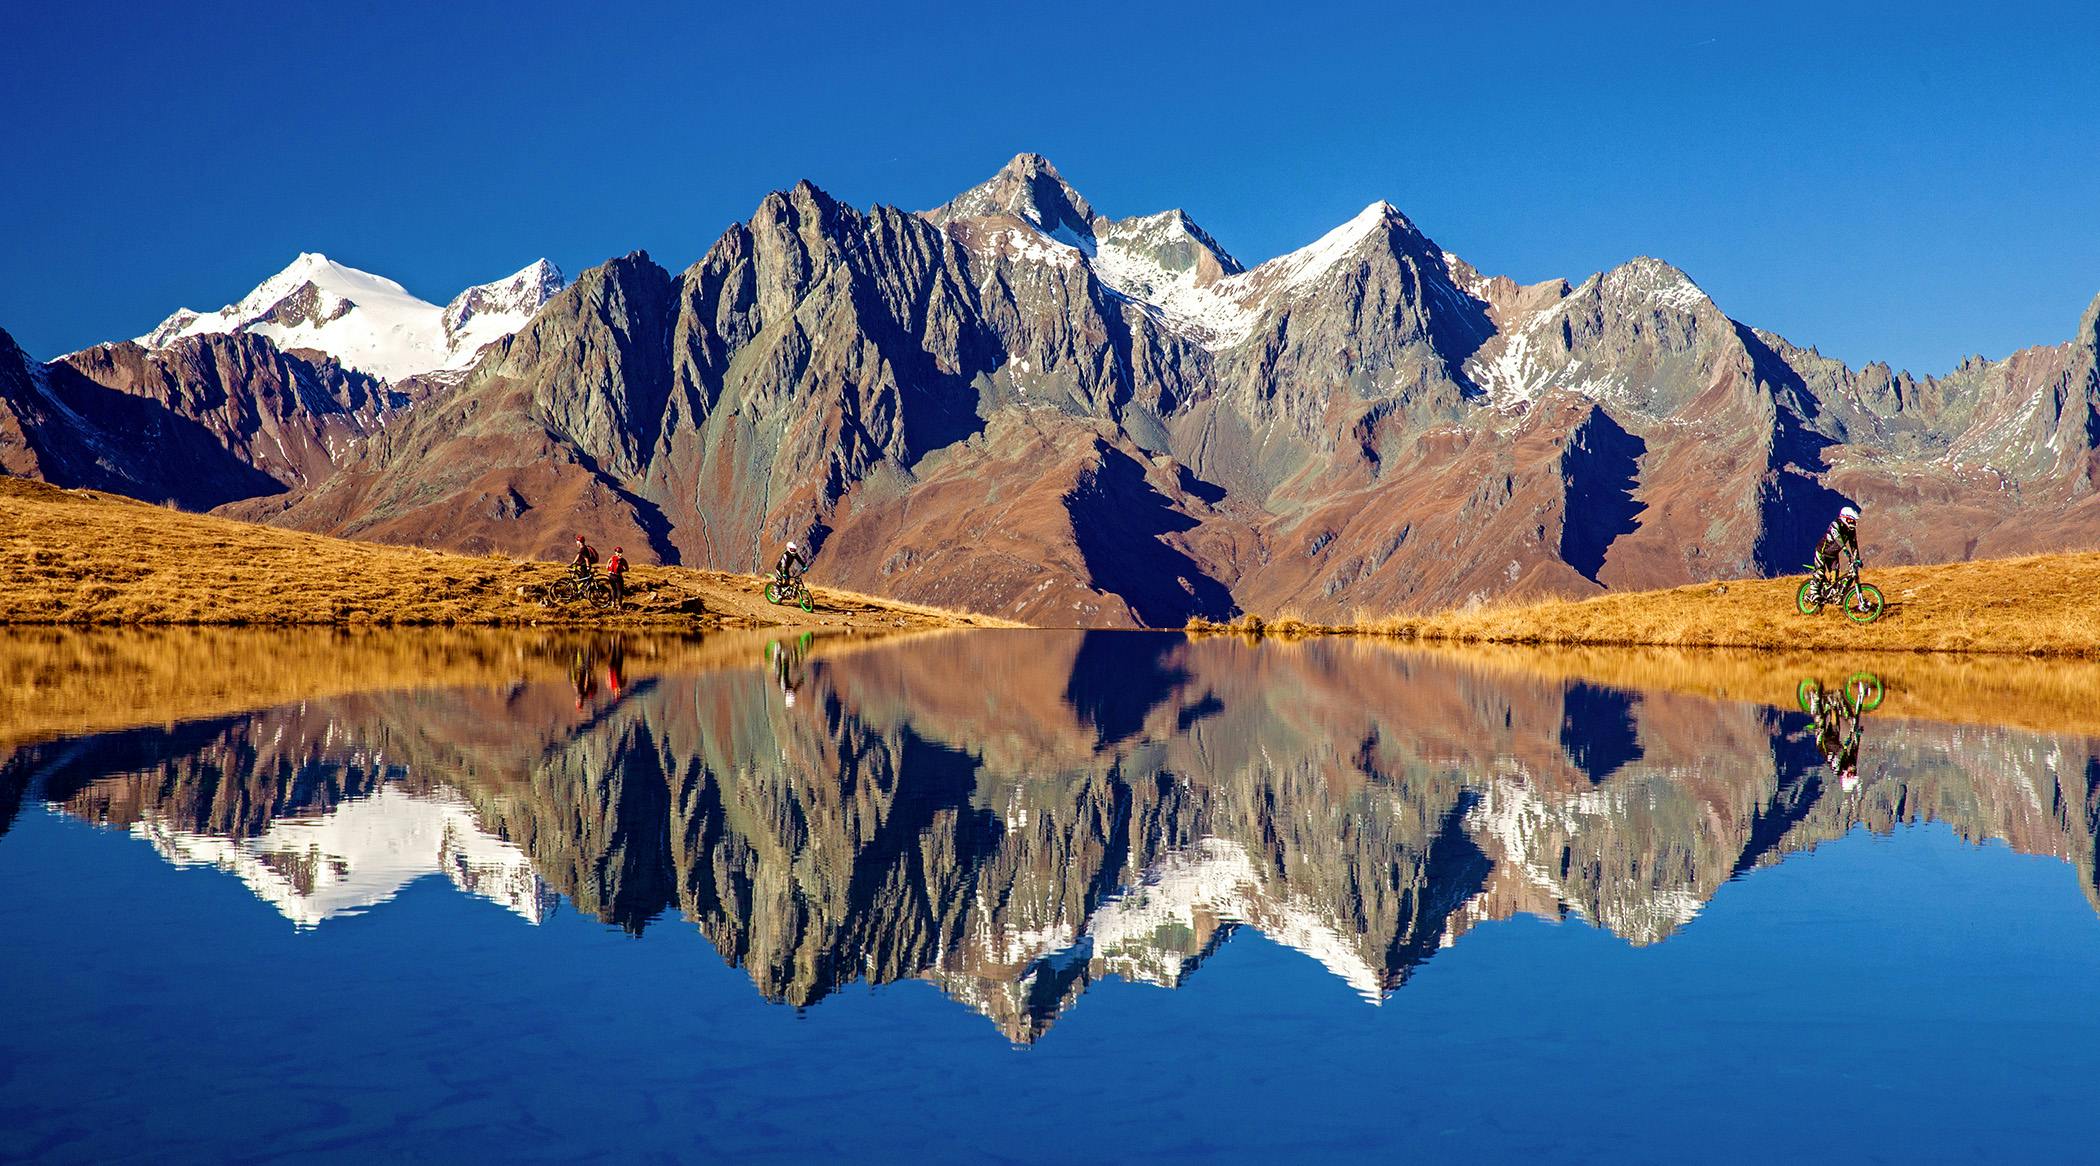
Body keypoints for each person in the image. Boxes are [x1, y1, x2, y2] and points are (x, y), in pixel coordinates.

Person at [1812, 505, 1861, 588]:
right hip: (1822, 552)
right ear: (1845, 518)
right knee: (1819, 573)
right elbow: (1837, 537)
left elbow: (1854, 545)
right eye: (1851, 521)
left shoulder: (1851, 530)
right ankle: (1813, 593)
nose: (1853, 523)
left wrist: (1857, 559)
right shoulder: (1835, 524)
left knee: (1834, 580)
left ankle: (1831, 596)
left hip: (1833, 555)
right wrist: (1845, 549)